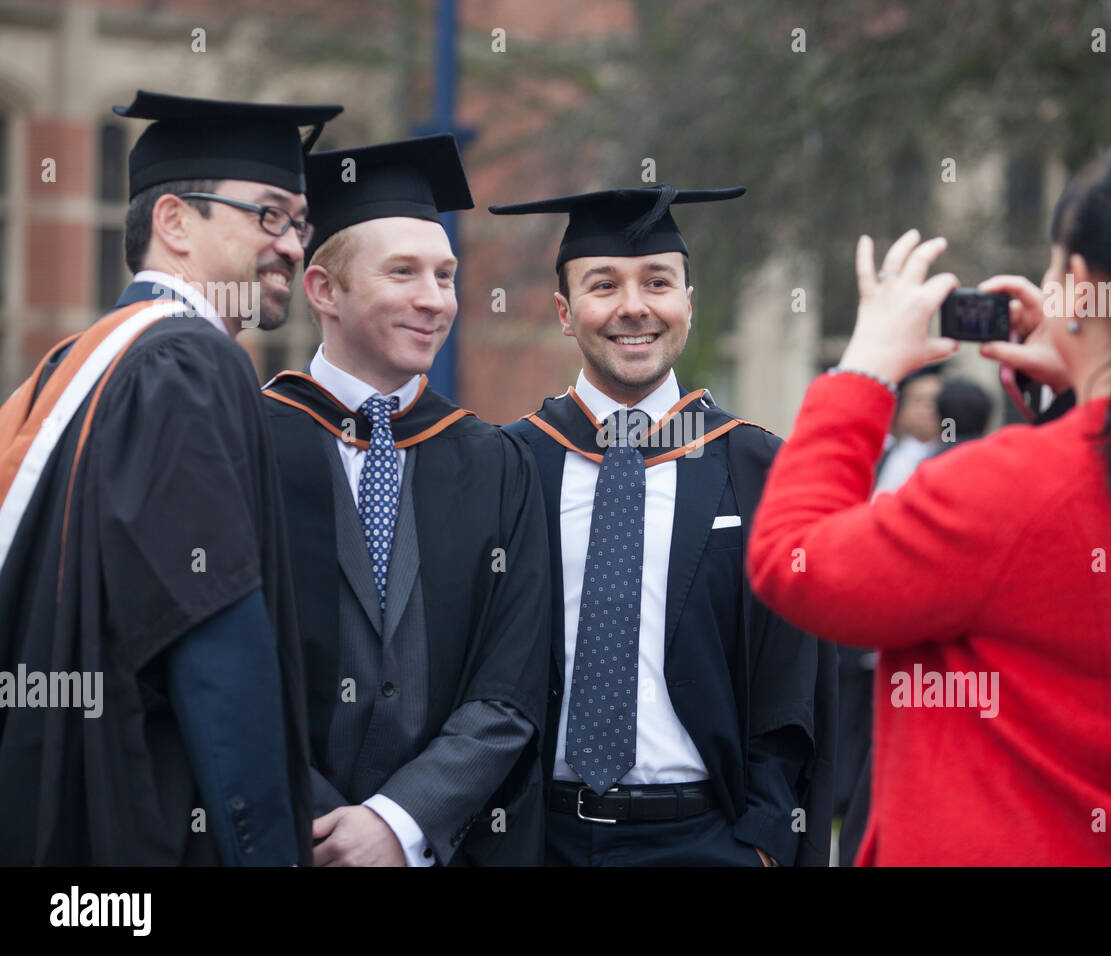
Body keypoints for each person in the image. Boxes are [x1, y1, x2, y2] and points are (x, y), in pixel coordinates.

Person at [748, 137, 1111, 865]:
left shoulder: (1005, 488)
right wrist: (1076, 381)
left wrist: (864, 371)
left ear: (1074, 278)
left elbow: (791, 559)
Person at [0, 90, 342, 865]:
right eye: (268, 215)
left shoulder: (74, 366)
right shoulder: (185, 364)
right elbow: (214, 644)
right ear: (175, 222)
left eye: (299, 222)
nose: (293, 245)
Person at [491, 184, 835, 867]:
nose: (634, 307)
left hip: (709, 840)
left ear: (688, 303)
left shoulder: (758, 465)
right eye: (603, 285)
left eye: (657, 282)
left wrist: (765, 842)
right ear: (565, 313)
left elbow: (791, 681)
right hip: (538, 841)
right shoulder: (510, 465)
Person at [262, 136, 550, 866]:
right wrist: (325, 822)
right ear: (324, 289)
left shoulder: (494, 462)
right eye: (404, 272)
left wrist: (398, 821)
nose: (434, 299)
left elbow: (510, 685)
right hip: (279, 836)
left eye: (447, 276)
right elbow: (225, 674)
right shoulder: (247, 442)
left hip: (436, 847)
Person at [873, 365, 942, 493]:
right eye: (917, 401)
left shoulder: (953, 456)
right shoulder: (881, 456)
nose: (926, 410)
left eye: (935, 402)